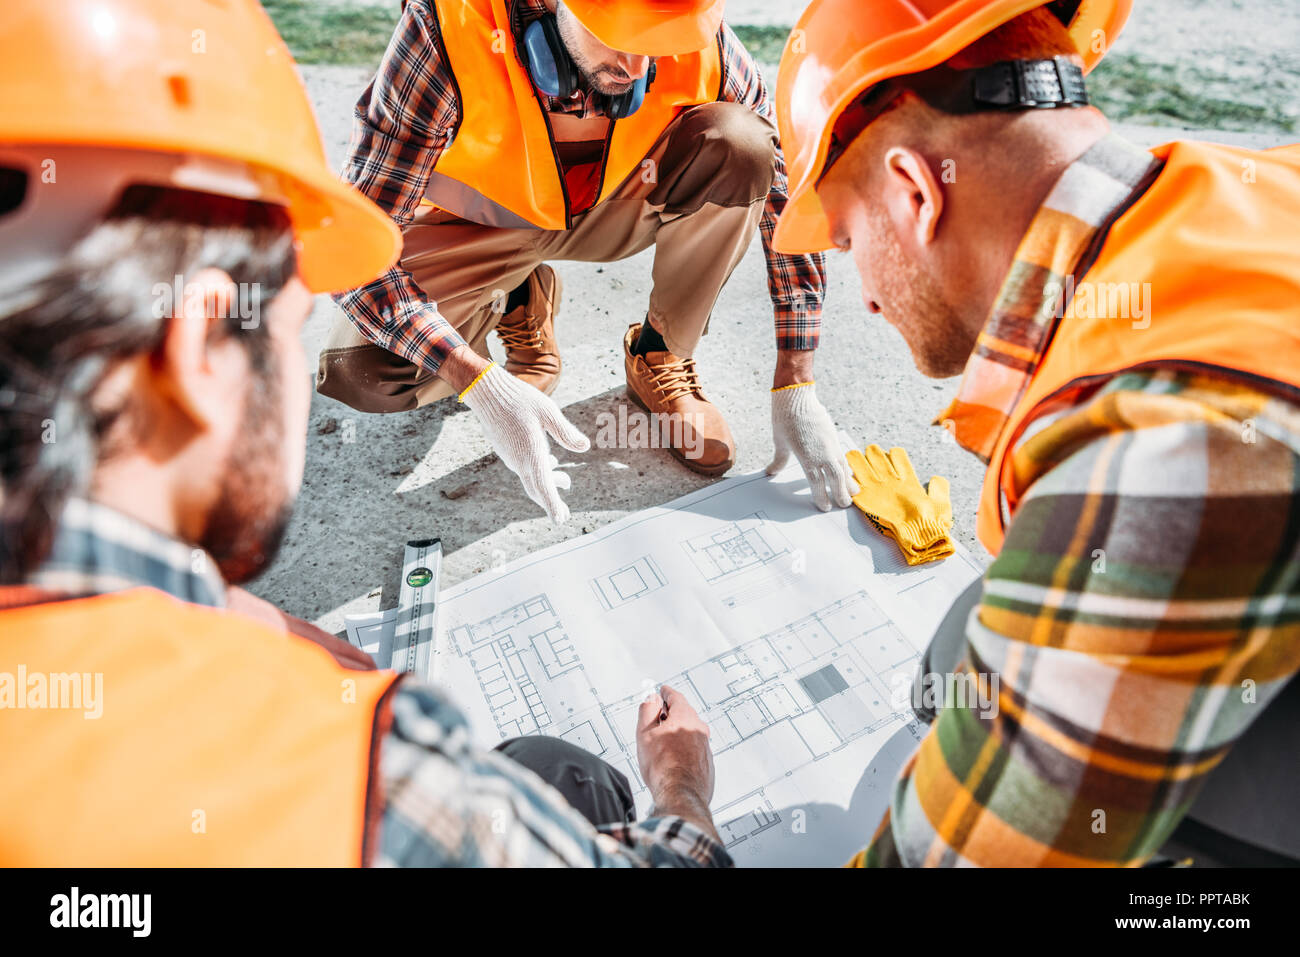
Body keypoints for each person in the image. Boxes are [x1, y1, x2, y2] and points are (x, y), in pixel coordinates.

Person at [0, 0, 727, 867]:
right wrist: (681, 787)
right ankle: (505, 287)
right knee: (562, 776)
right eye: (286, 315)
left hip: (586, 212)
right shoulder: (364, 775)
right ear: (200, 347)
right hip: (482, 231)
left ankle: (530, 284)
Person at [773, 0, 1300, 866]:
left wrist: (683, 810)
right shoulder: (1248, 190)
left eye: (846, 237)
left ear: (914, 191)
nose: (862, 294)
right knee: (966, 647)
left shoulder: (1160, 447)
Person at [316, 0, 857, 521]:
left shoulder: (693, 29)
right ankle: (511, 296)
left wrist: (796, 378)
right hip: (477, 226)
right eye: (622, 41)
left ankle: (659, 355)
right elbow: (355, 244)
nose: (637, 70)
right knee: (366, 372)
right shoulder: (444, 32)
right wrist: (473, 376)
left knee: (745, 146)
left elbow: (787, 195)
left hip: (611, 209)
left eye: (658, 47)